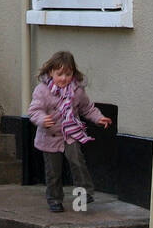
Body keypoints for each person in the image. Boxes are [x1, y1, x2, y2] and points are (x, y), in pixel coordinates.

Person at [26, 51, 111, 213]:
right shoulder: (42, 90)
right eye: (59, 74)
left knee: (77, 162)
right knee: (54, 171)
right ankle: (55, 199)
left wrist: (98, 118)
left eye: (68, 74)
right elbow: (34, 110)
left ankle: (84, 195)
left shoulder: (77, 91)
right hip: (50, 136)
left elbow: (87, 108)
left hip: (70, 134)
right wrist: (43, 119)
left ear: (73, 73)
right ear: (51, 72)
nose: (64, 78)